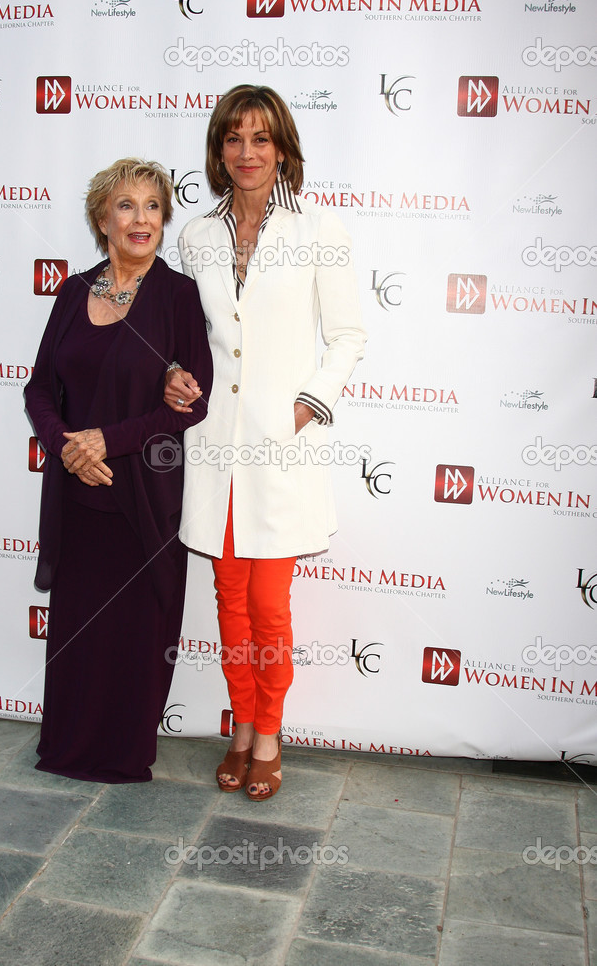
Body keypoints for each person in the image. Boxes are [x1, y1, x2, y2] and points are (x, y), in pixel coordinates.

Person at [165, 85, 366, 800]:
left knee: (270, 604)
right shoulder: (194, 236)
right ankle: (241, 726)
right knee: (227, 597)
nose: (246, 152)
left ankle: (270, 729)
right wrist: (176, 378)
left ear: (282, 147)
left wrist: (306, 408)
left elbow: (347, 336)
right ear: (218, 151)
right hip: (216, 444)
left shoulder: (320, 230)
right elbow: (186, 339)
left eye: (260, 138)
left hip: (281, 445)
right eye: (233, 138)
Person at [24, 158, 212, 783]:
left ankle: (123, 754)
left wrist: (108, 440)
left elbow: (192, 399)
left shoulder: (179, 295)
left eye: (153, 206)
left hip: (142, 498)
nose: (141, 219)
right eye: (126, 206)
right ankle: (68, 748)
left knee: (134, 633)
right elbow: (39, 390)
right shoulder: (74, 293)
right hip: (77, 499)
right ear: (102, 219)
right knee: (78, 633)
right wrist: (68, 447)